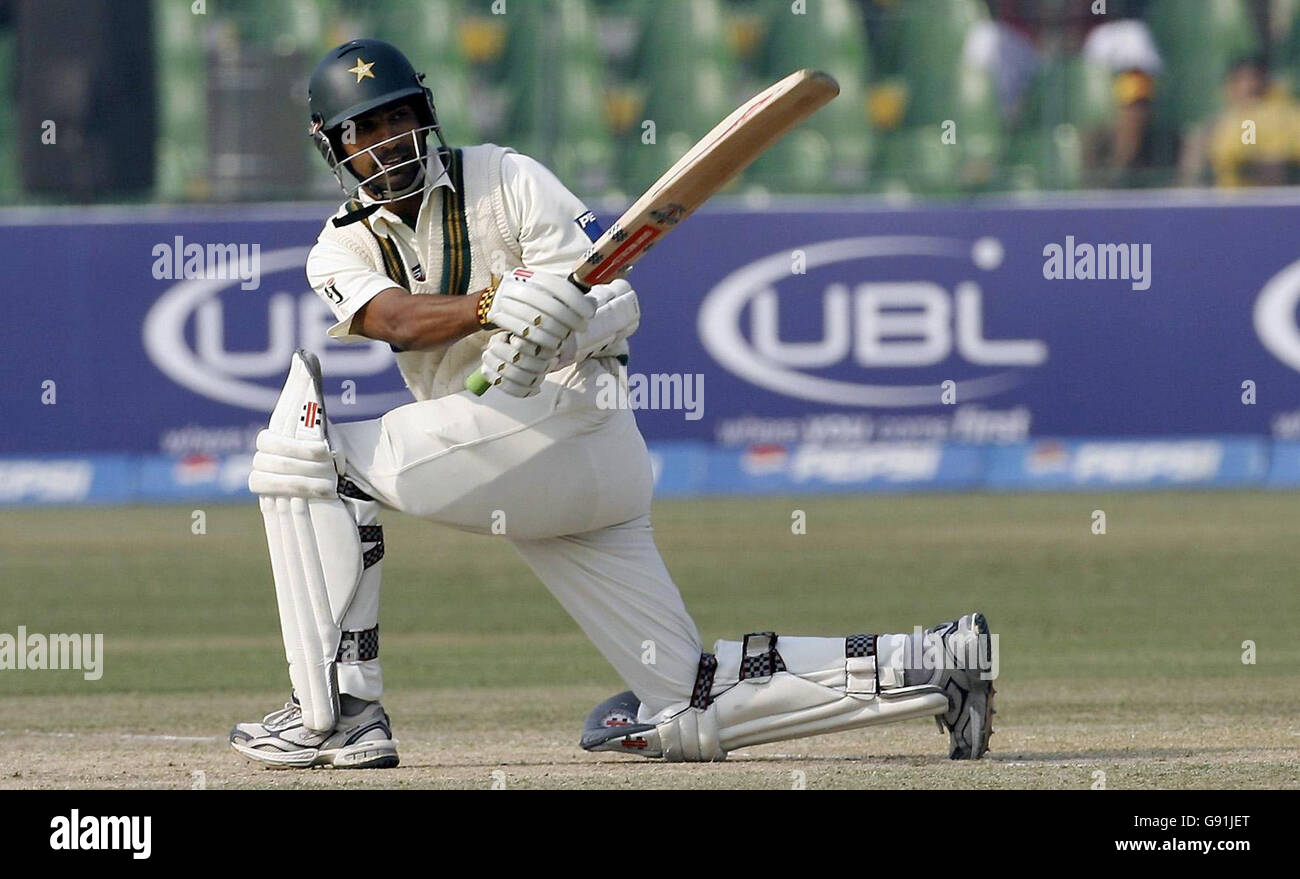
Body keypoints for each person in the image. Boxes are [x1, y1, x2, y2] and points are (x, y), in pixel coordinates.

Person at [229, 39, 996, 769]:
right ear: (333, 143)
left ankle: (337, 712)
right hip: (520, 465)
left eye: (400, 117)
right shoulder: (338, 247)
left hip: (575, 422)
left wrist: (557, 329)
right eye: (367, 128)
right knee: (685, 702)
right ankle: (934, 662)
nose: (390, 140)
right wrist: (498, 305)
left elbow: (616, 299)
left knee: (306, 456)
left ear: (426, 113)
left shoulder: (506, 177)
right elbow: (394, 319)